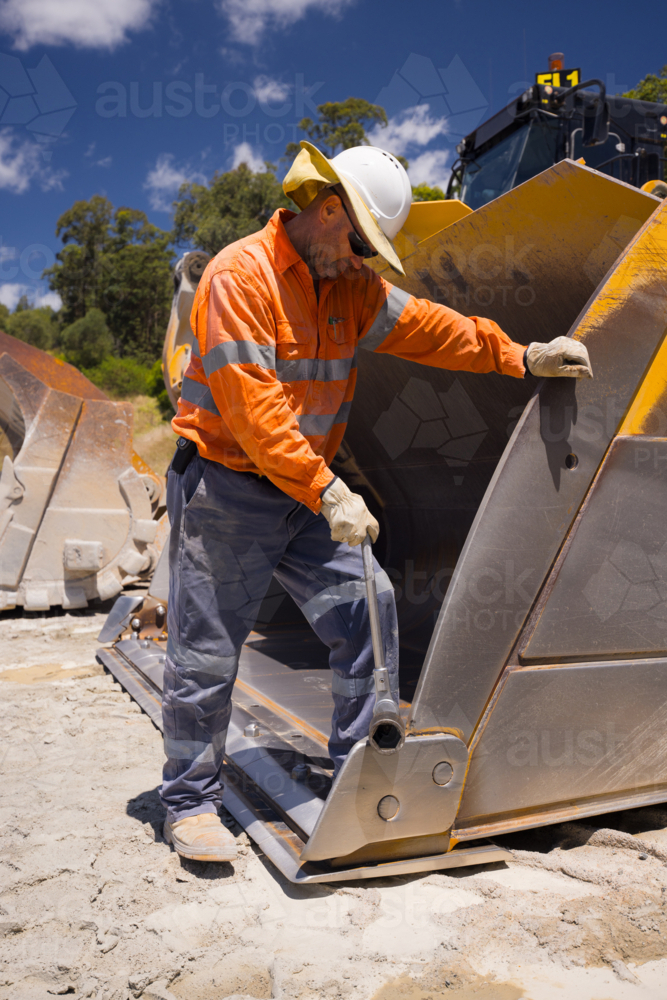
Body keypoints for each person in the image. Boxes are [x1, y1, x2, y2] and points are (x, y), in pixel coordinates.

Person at [161, 141, 593, 862]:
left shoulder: (351, 287)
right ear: (327, 211)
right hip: (228, 488)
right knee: (207, 653)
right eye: (360, 241)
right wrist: (329, 489)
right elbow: (252, 409)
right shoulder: (242, 275)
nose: (364, 258)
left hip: (304, 493)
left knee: (368, 608)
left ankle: (360, 778)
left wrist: (516, 355)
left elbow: (430, 328)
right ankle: (189, 802)